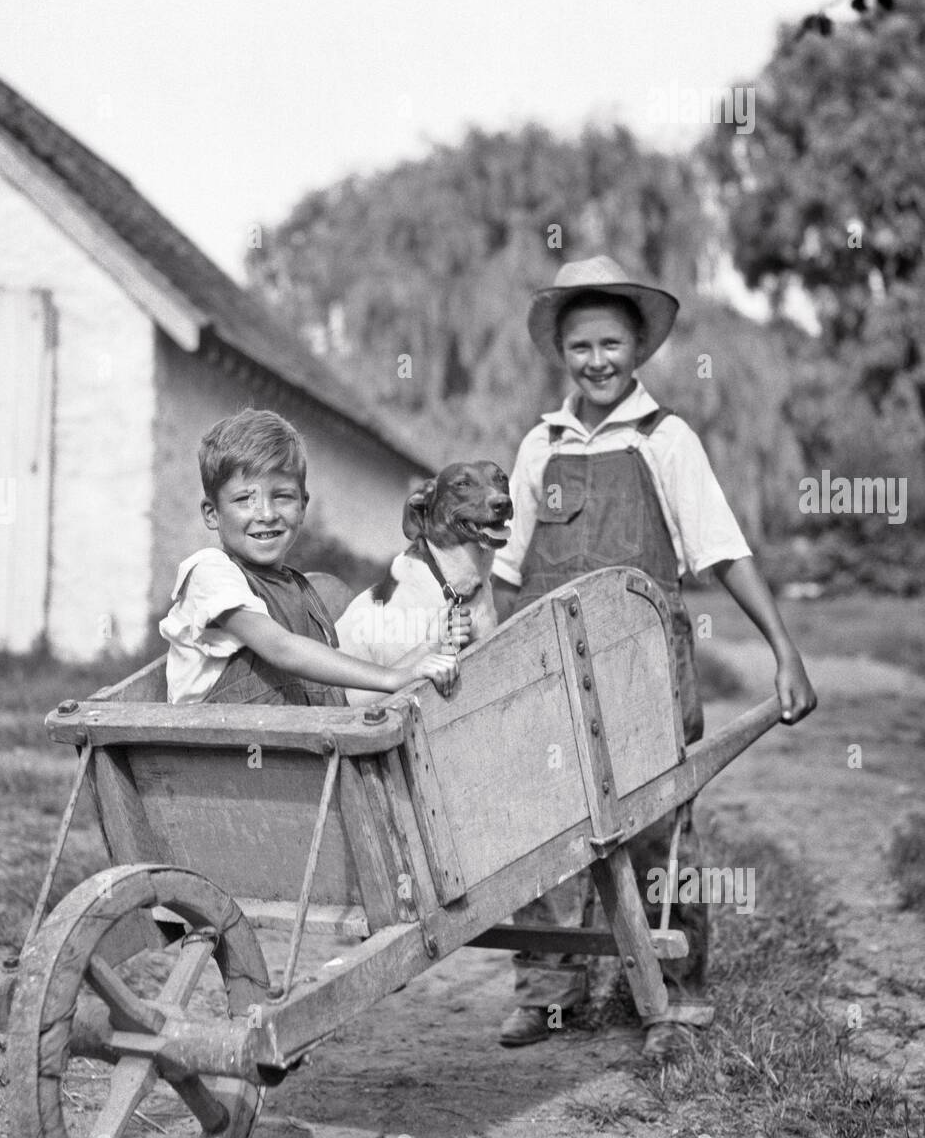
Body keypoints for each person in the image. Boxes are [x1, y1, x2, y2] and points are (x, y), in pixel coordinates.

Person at [492, 256, 816, 1055]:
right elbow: (503, 566)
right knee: (546, 826)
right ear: (558, 353)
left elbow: (722, 552)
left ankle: (671, 993)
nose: (595, 360)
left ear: (637, 347)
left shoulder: (666, 439)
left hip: (642, 670)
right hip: (550, 669)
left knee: (655, 826)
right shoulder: (539, 444)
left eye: (609, 343)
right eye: (579, 346)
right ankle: (548, 993)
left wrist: (785, 650)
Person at [160, 409, 459, 706]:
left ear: (303, 506)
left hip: (294, 743)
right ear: (212, 513)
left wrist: (424, 652)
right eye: (244, 500)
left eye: (282, 496)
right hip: (216, 749)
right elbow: (280, 649)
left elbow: (338, 700)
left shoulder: (299, 594)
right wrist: (392, 678)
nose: (266, 514)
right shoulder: (209, 572)